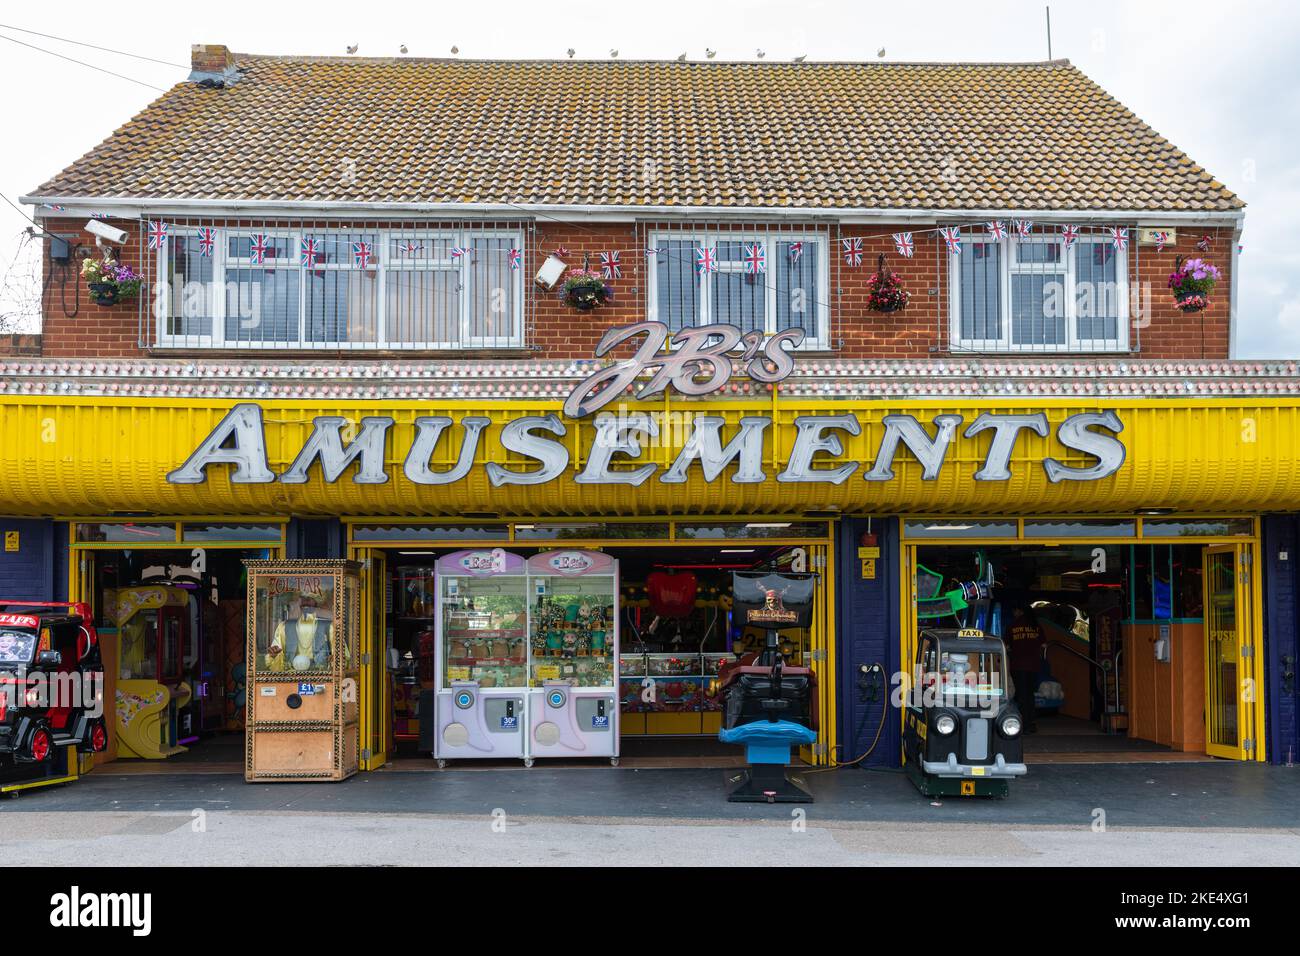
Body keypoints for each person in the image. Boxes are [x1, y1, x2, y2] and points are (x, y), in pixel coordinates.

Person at [1007, 604, 1045, 733]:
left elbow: (1007, 646)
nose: (1013, 613)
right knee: (1030, 695)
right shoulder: (1036, 626)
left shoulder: (1013, 626)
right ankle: (1030, 723)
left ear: (1019, 611)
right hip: (1033, 666)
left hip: (1018, 665)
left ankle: (1024, 724)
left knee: (1022, 695)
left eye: (1015, 610)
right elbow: (1043, 645)